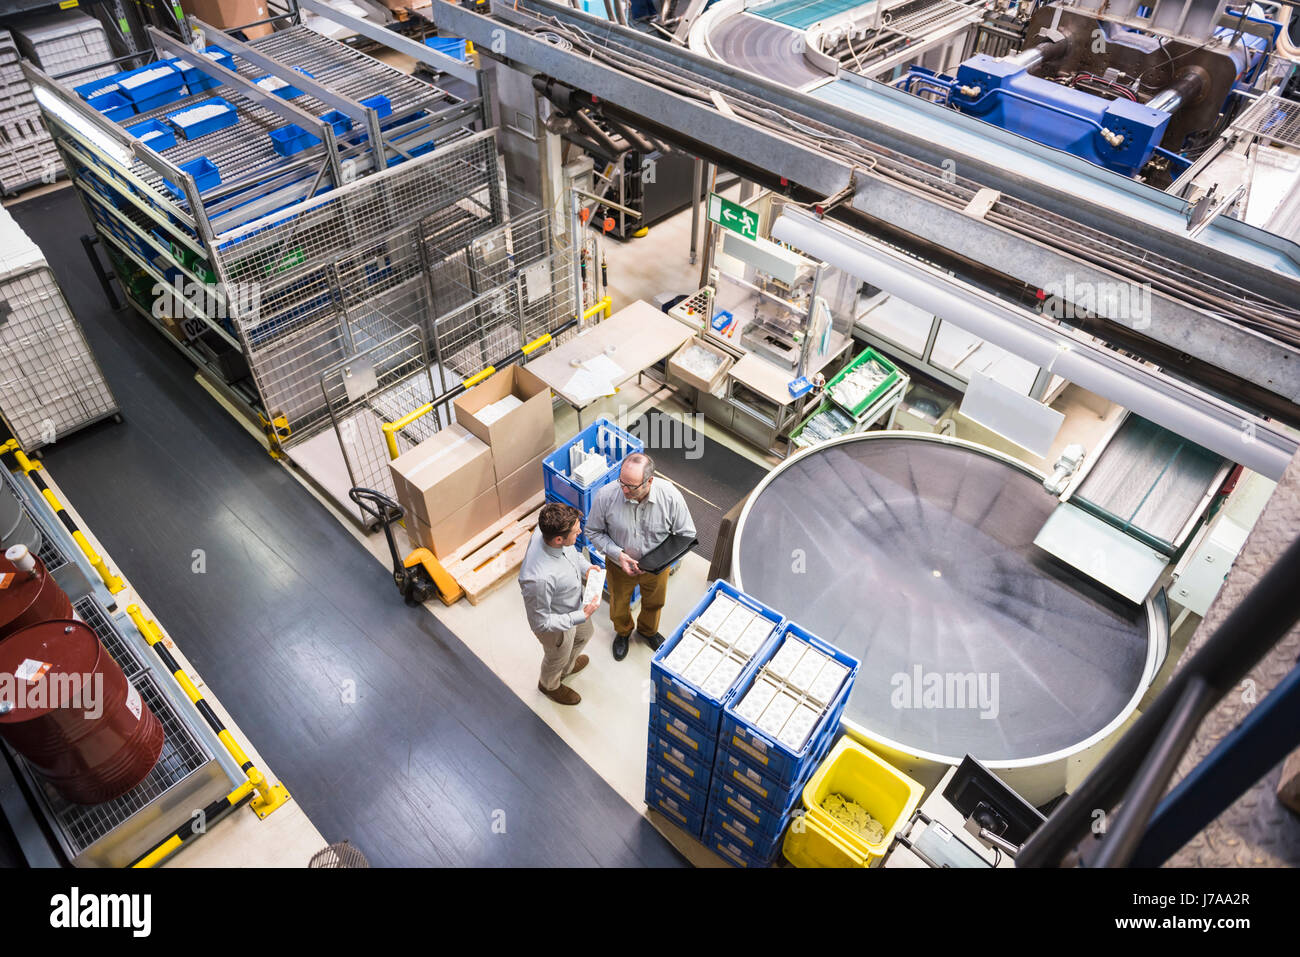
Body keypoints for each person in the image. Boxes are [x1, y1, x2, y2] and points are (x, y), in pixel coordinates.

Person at [586, 452, 695, 661]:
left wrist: (657, 562)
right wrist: (618, 555)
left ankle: (648, 631)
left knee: (655, 602)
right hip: (619, 566)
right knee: (619, 604)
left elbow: (686, 534)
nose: (625, 490)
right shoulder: (606, 496)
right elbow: (593, 531)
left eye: (632, 486)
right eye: (622, 483)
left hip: (656, 568)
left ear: (650, 481)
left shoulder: (670, 496)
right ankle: (623, 632)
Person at [518, 502, 600, 706]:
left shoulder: (547, 530)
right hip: (556, 625)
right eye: (575, 531)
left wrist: (587, 569)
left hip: (574, 606)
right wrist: (579, 616)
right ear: (558, 539)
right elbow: (540, 622)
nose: (580, 530)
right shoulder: (539, 579)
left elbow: (572, 555)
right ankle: (549, 685)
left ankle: (567, 667)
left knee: (585, 635)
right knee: (556, 657)